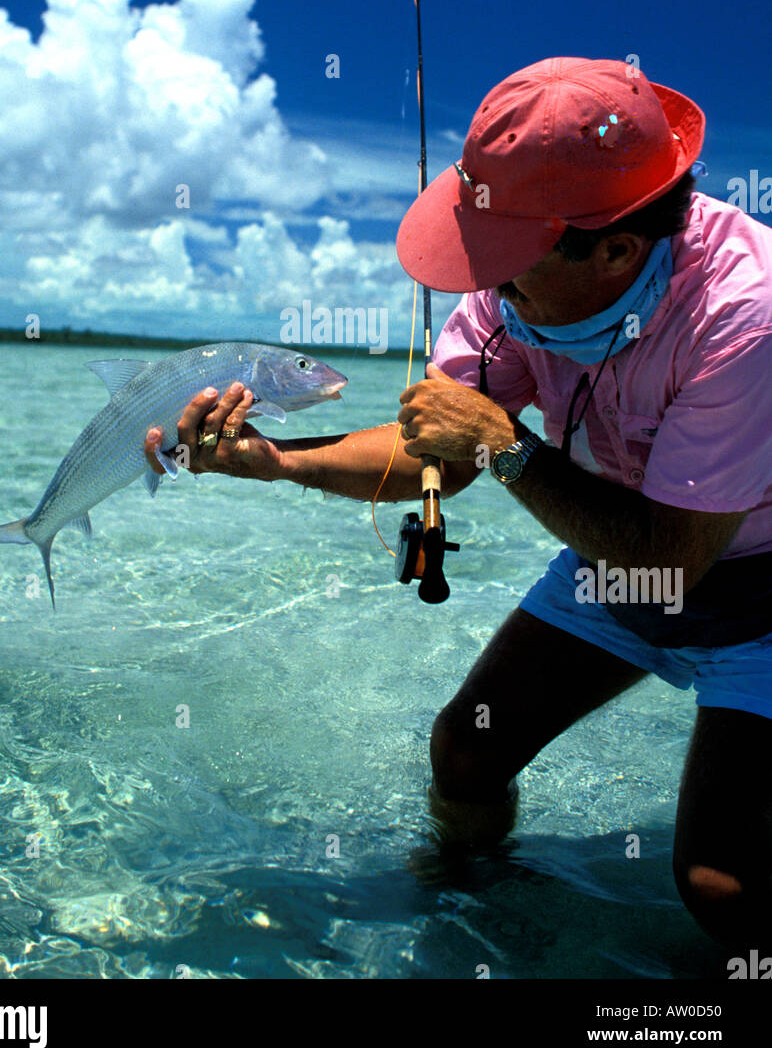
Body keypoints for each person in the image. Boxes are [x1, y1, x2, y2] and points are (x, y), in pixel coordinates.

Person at [144, 57, 772, 950]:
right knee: (466, 752)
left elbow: (666, 565)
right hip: (618, 549)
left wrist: (505, 445)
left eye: (511, 268)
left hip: (752, 588)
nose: (486, 286)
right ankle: (469, 922)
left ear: (618, 249)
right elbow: (438, 450)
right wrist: (279, 461)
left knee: (721, 887)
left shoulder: (747, 314)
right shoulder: (514, 288)